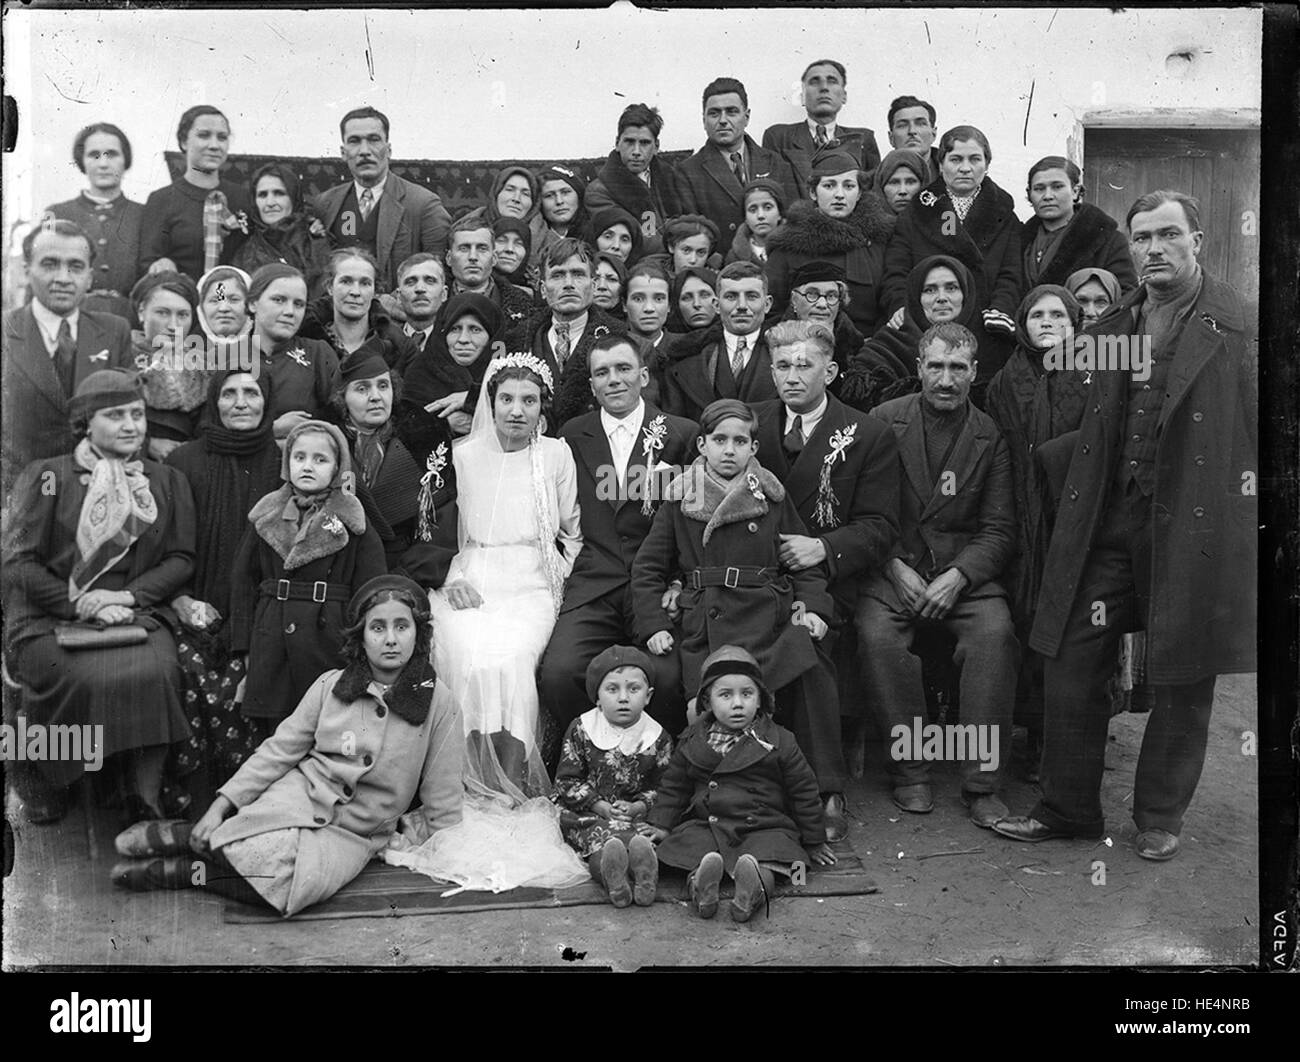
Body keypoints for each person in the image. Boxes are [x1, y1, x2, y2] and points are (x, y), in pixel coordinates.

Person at [994, 191, 1257, 860]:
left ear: (1198, 240)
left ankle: (1160, 815)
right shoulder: (1114, 325)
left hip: (1192, 534)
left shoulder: (1242, 328)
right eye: (1142, 238)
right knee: (1072, 659)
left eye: (1169, 235)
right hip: (1110, 526)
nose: (1154, 249)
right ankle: (1068, 807)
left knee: (1183, 675)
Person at [112, 575, 464, 916]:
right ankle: (192, 834)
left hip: (354, 833)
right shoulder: (331, 686)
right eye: (378, 628)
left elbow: (443, 790)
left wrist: (444, 849)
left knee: (292, 886)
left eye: (402, 626)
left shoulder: (437, 703)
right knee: (249, 845)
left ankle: (187, 872)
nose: (390, 639)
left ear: (418, 633)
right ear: (361, 637)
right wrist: (220, 806)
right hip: (296, 800)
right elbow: (278, 751)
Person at [2, 369, 195, 824]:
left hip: (135, 613)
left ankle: (142, 794)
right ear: (87, 422)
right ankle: (53, 780)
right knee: (75, 675)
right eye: (115, 416)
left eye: (137, 414)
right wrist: (79, 603)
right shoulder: (48, 477)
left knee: (158, 670)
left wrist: (127, 597)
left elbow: (181, 559)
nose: (131, 425)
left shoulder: (165, 481)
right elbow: (18, 562)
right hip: (51, 616)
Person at [631, 399, 839, 782]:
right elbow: (648, 568)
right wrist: (654, 624)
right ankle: (697, 789)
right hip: (704, 618)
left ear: (753, 448)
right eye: (720, 439)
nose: (729, 450)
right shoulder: (681, 498)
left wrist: (812, 608)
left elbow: (800, 559)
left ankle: (822, 788)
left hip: (769, 614)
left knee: (812, 664)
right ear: (702, 445)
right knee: (690, 688)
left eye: (740, 441)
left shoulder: (771, 496)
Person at [861, 323, 1018, 826]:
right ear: (919, 367)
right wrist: (892, 566)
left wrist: (960, 576)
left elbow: (998, 528)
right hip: (894, 567)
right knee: (877, 635)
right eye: (936, 366)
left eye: (957, 368)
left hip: (961, 573)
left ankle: (982, 781)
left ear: (975, 372)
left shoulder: (989, 434)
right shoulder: (884, 422)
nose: (945, 380)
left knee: (995, 635)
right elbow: (863, 512)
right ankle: (911, 771)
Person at [752, 320, 901, 836]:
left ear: (830, 370)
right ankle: (743, 784)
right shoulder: (748, 427)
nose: (793, 376)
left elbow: (882, 527)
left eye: (805, 364)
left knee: (807, 647)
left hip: (827, 578)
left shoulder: (867, 433)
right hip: (754, 576)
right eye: (783, 366)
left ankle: (824, 787)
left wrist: (824, 547)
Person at [426, 353, 583, 801]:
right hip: (472, 574)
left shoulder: (554, 455)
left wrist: (560, 582)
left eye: (529, 401)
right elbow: (438, 532)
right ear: (490, 404)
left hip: (533, 580)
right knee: (468, 654)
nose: (517, 410)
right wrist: (446, 577)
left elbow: (573, 531)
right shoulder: (463, 456)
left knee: (511, 660)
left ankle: (510, 785)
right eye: (507, 399)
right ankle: (467, 787)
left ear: (542, 407)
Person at [540, 334, 698, 737]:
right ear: (591, 385)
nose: (614, 379)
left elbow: (694, 525)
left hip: (658, 585)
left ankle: (656, 762)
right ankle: (594, 752)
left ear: (643, 375)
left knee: (666, 677)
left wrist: (679, 583)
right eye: (602, 372)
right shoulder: (572, 436)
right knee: (559, 672)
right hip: (594, 580)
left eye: (623, 369)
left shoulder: (680, 434)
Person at [643, 645, 836, 923]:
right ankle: (701, 885)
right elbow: (675, 786)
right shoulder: (693, 739)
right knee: (693, 849)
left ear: (760, 700)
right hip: (709, 823)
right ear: (707, 703)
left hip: (763, 824)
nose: (737, 703)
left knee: (770, 857)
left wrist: (814, 839)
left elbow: (803, 790)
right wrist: (662, 824)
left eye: (747, 694)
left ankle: (753, 889)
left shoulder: (779, 740)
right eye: (726, 695)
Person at [984, 285, 1091, 774]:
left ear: (1075, 323)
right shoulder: (1004, 382)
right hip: (1020, 518)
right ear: (1022, 325)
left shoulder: (1095, 374)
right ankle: (1027, 738)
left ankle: (1061, 742)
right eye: (1037, 316)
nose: (1047, 323)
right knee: (1024, 624)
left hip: (1072, 518)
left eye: (1059, 315)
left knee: (1071, 631)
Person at [227, 420, 386, 735]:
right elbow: (242, 582)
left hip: (328, 638)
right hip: (272, 635)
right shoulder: (266, 515)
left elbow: (371, 591)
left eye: (320, 459)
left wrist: (360, 649)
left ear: (338, 466)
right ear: (287, 464)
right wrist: (246, 647)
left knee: (327, 723)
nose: (308, 467)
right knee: (276, 730)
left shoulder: (353, 521)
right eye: (299, 458)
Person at [166, 369, 283, 790]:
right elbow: (164, 546)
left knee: (251, 682)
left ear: (266, 402)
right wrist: (180, 602)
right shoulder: (184, 461)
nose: (240, 402)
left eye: (251, 393)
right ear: (214, 402)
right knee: (184, 675)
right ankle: (192, 800)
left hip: (263, 610)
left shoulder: (285, 461)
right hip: (194, 606)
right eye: (229, 393)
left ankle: (243, 799)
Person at [881, 125, 1024, 404]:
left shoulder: (1004, 214)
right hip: (927, 321)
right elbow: (896, 270)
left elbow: (1011, 273)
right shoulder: (918, 212)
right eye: (956, 159)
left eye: (975, 159)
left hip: (983, 325)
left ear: (987, 164)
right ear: (941, 163)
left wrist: (1000, 310)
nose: (965, 168)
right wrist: (901, 306)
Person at [2, 220, 134, 496]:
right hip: (19, 496)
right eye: (50, 264)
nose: (63, 277)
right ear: (27, 272)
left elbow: (128, 419)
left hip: (95, 494)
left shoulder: (114, 331)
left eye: (75, 267)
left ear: (89, 277)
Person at [552, 645, 673, 907]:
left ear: (648, 695)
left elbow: (664, 785)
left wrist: (638, 806)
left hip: (632, 814)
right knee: (602, 843)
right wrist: (599, 805)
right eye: (612, 689)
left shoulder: (657, 736)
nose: (623, 698)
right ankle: (613, 880)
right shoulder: (582, 729)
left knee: (643, 840)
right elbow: (566, 780)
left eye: (633, 689)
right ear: (597, 697)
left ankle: (644, 877)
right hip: (589, 812)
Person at [331, 343, 458, 587]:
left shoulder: (422, 442)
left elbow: (438, 524)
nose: (376, 396)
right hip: (342, 574)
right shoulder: (327, 446)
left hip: (405, 574)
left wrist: (404, 580)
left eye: (383, 386)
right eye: (361, 388)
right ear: (342, 399)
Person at [313, 106, 452, 290]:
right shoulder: (326, 204)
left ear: (388, 150)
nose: (364, 150)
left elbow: (439, 273)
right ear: (343, 152)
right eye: (354, 141)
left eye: (374, 140)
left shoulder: (423, 205)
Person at [765, 150, 896, 333]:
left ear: (859, 194)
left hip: (870, 347)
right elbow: (770, 311)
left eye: (849, 186)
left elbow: (891, 301)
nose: (839, 195)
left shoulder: (879, 240)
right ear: (812, 192)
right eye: (829, 186)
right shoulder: (789, 245)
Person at [841, 253, 980, 412]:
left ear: (966, 294)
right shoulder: (887, 345)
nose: (942, 297)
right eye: (930, 290)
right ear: (915, 297)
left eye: (951, 288)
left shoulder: (990, 344)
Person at [675, 77, 798, 248]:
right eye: (714, 113)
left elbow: (792, 221)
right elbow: (692, 235)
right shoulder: (687, 172)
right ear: (704, 120)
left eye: (731, 111)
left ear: (746, 117)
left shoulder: (776, 163)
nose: (723, 120)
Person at [44, 121, 144, 320]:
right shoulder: (57, 213)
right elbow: (42, 274)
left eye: (112, 154)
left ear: (126, 160)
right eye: (94, 155)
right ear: (82, 161)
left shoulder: (144, 214)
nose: (103, 164)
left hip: (130, 325)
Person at [139, 105, 251, 281]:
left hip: (226, 300)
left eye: (222, 137)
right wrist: (162, 264)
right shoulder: (162, 200)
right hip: (182, 299)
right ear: (184, 142)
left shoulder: (242, 197)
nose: (214, 145)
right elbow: (148, 261)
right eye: (204, 135)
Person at [659, 261, 778, 422]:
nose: (742, 306)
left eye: (751, 296)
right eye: (731, 297)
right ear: (716, 304)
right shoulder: (685, 357)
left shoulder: (785, 356)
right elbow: (676, 426)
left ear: (767, 304)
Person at [525, 238, 626, 428]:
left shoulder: (621, 340)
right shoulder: (521, 340)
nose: (569, 284)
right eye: (557, 275)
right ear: (543, 289)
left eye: (578, 274)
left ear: (594, 286)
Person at [242, 264, 340, 436]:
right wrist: (272, 430)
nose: (290, 312)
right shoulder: (224, 357)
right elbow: (211, 432)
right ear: (252, 304)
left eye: (299, 304)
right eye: (279, 300)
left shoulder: (318, 353)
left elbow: (340, 420)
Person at [397, 292, 506, 443]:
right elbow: (403, 433)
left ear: (492, 336)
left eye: (475, 329)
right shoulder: (420, 373)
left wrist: (473, 399)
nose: (463, 339)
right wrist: (444, 425)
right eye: (454, 329)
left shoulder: (508, 372)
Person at [1022, 156, 1138, 292]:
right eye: (1039, 189)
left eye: (1057, 187)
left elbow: (1125, 295)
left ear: (1075, 191)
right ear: (1030, 194)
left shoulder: (1108, 241)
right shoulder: (1019, 240)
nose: (1048, 196)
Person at [762, 59, 882, 189]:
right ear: (802, 97)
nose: (824, 88)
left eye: (832, 81)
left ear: (844, 96)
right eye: (814, 82)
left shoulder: (862, 139)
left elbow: (871, 194)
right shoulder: (779, 137)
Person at [127, 270, 207, 460]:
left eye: (182, 315)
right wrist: (146, 444)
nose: (173, 325)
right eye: (162, 313)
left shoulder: (204, 365)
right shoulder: (121, 354)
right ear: (141, 313)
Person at [300, 248, 418, 374]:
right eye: (346, 281)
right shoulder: (305, 339)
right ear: (330, 287)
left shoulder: (398, 345)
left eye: (365, 283)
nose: (355, 292)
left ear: (375, 291)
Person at [585, 105, 682, 257]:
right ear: (617, 143)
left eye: (644, 143)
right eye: (629, 142)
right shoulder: (599, 191)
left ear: (656, 146)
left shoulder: (671, 178)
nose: (636, 152)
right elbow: (637, 238)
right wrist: (682, 249)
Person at [231, 162, 331, 298]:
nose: (270, 202)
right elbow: (226, 294)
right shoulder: (243, 254)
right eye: (262, 195)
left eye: (279, 193)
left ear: (293, 197)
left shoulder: (316, 241)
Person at [777, 261, 865, 399]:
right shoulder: (772, 344)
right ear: (794, 300)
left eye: (831, 296)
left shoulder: (857, 349)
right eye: (812, 294)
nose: (823, 305)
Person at [443, 217, 535, 328]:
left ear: (494, 258)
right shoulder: (433, 300)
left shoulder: (522, 304)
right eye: (464, 248)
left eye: (482, 249)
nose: (473, 257)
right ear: (448, 258)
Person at [534, 165, 593, 268]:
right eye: (549, 195)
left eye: (565, 192)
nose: (559, 201)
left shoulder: (593, 234)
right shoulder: (534, 238)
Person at [393, 252, 448, 356]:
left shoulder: (454, 342)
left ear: (444, 294)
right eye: (410, 282)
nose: (420, 289)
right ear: (399, 296)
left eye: (430, 281)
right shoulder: (385, 343)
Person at [724, 178, 786, 265]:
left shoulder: (797, 249)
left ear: (780, 213)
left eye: (768, 208)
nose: (760, 216)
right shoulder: (734, 258)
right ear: (746, 218)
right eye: (753, 210)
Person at [884, 95, 941, 175]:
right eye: (902, 125)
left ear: (933, 134)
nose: (912, 131)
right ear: (891, 138)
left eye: (921, 124)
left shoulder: (952, 176)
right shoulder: (875, 182)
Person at [872, 148, 933, 216]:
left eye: (910, 182)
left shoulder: (942, 223)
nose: (902, 191)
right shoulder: (863, 225)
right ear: (881, 188)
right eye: (894, 183)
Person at [665, 266, 719, 334]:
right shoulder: (662, 342)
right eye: (687, 298)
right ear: (676, 305)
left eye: (705, 295)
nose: (696, 304)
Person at [491, 217, 535, 295]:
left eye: (518, 243)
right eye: (501, 241)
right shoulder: (477, 286)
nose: (510, 249)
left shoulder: (535, 292)